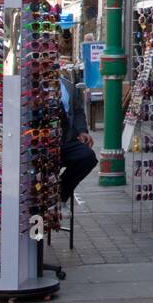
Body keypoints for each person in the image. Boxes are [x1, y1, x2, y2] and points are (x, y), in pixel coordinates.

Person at [58, 38, 98, 204]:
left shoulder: (67, 86)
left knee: (87, 157)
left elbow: (78, 111)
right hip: (40, 145)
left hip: (65, 141)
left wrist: (82, 131)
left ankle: (60, 193)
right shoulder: (31, 87)